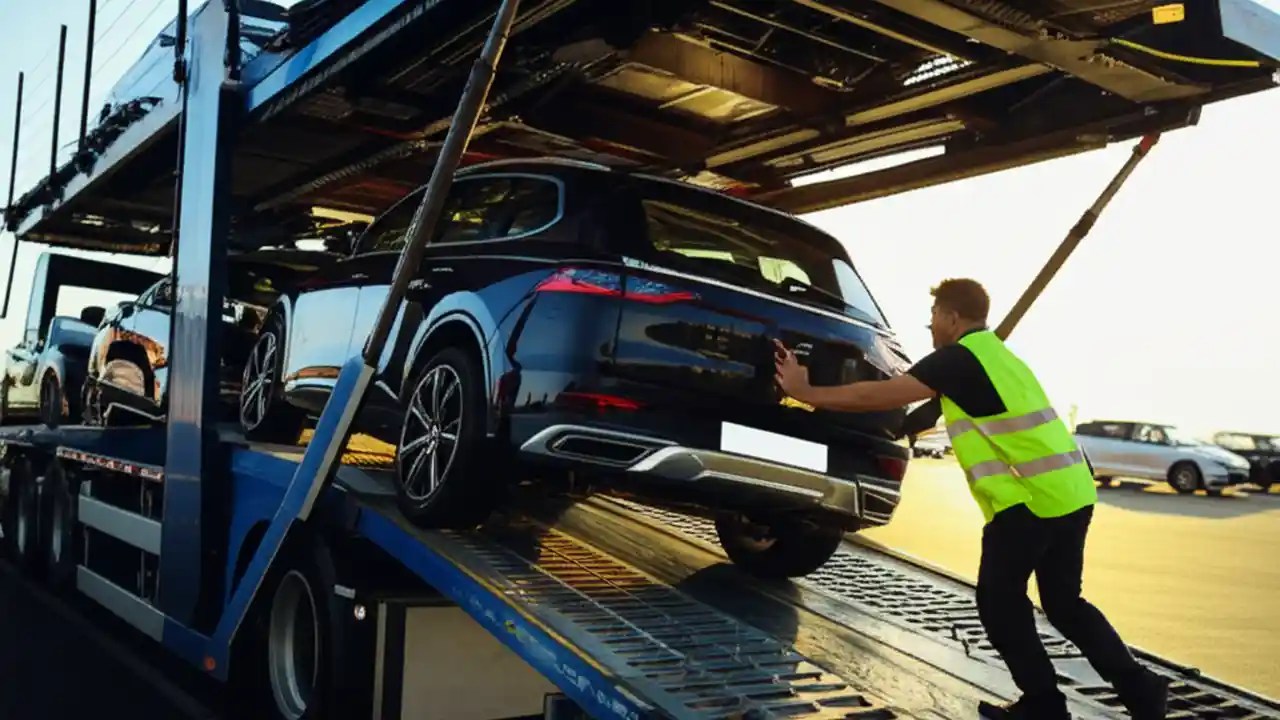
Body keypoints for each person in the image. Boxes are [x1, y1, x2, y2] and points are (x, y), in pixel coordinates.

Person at [773, 278, 1168, 720]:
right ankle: (1142, 692)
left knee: (999, 603)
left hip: (1028, 501)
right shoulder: (995, 357)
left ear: (950, 317)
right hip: (1072, 490)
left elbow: (877, 395)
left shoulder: (957, 360)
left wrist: (803, 391)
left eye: (933, 320)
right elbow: (915, 416)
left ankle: (1044, 705)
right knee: (1064, 604)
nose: (931, 329)